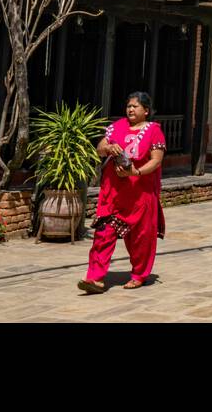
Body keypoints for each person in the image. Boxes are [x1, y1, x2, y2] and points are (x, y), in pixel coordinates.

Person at [78, 92, 166, 293]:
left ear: (146, 111)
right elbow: (99, 149)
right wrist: (108, 148)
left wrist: (136, 171)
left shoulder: (154, 131)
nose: (131, 109)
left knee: (140, 239)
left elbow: (156, 160)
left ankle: (139, 274)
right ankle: (95, 278)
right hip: (113, 195)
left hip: (140, 196)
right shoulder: (116, 127)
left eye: (136, 106)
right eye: (129, 106)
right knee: (103, 234)